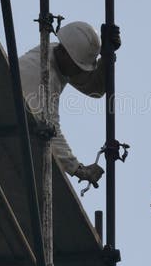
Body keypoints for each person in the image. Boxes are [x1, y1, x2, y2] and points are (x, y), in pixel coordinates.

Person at [19, 20, 120, 187]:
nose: (80, 71)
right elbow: (49, 130)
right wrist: (77, 169)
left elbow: (94, 88)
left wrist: (106, 59)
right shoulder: (43, 77)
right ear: (66, 54)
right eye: (78, 66)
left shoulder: (54, 51)